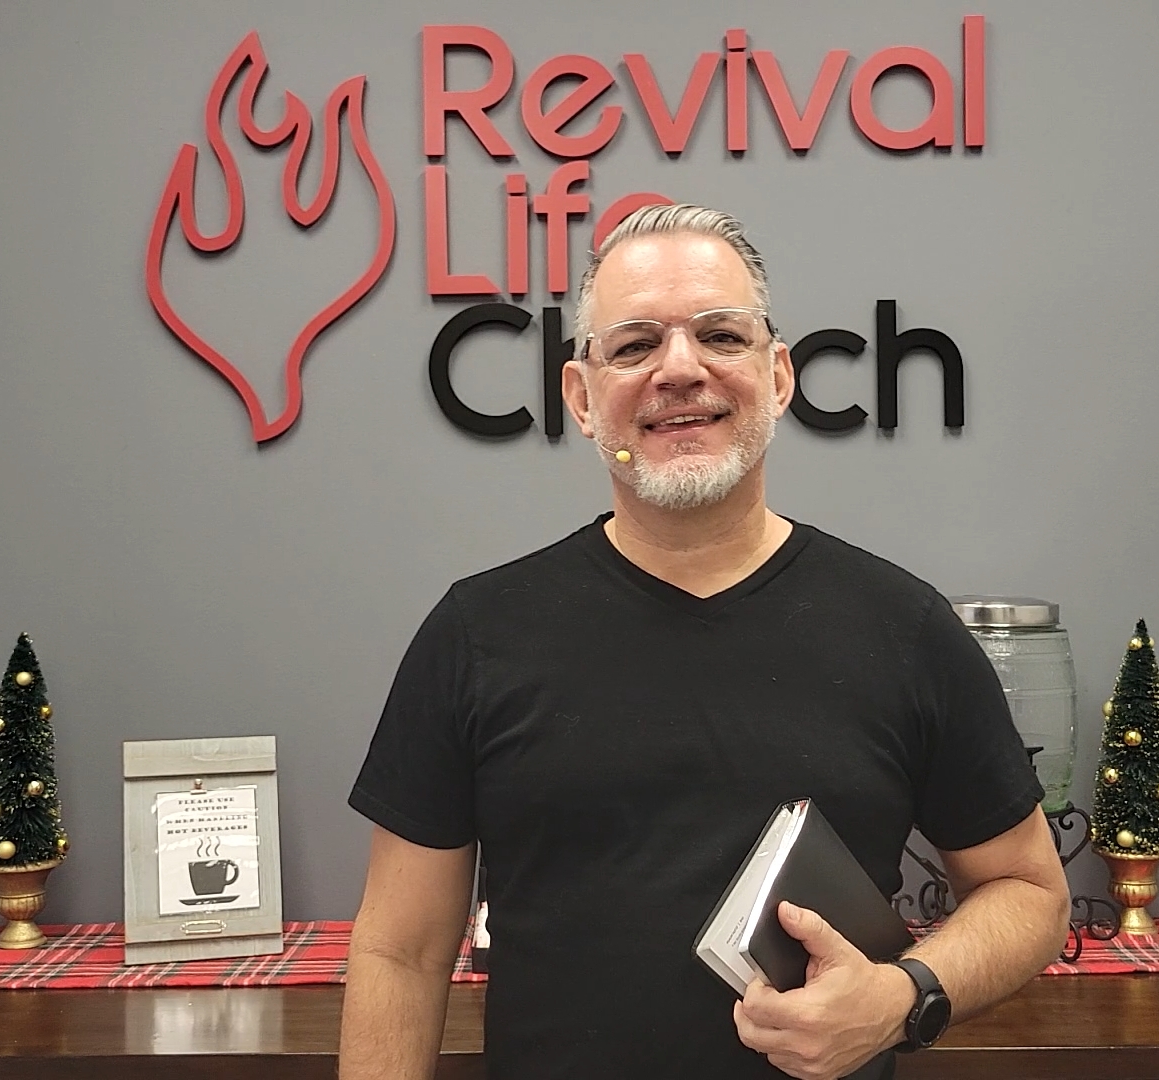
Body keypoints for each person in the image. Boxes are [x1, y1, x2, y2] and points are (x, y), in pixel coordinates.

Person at [341, 204, 1069, 1080]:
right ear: (581, 397)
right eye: (635, 344)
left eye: (721, 335)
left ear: (779, 375)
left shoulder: (905, 628)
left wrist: (902, 996)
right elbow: (400, 953)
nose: (680, 369)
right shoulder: (476, 634)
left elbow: (1029, 891)